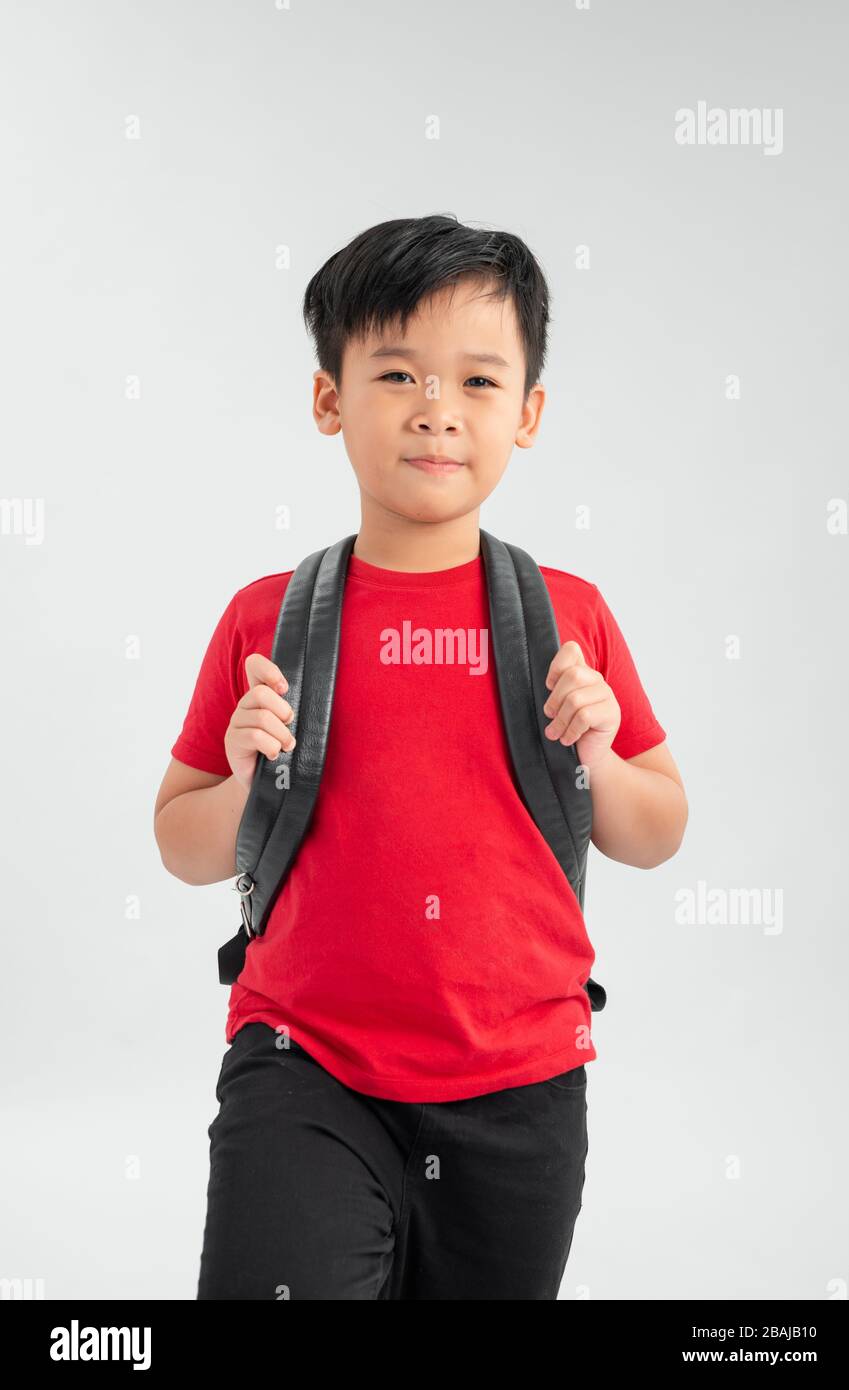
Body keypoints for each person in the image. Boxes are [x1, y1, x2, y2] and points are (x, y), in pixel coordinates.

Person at [153, 213, 688, 1300]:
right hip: (303, 1065)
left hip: (521, 1088)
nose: (437, 409)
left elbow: (656, 830)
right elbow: (181, 841)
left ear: (528, 413)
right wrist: (247, 780)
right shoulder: (269, 618)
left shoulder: (565, 616)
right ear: (329, 400)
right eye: (396, 372)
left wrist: (601, 750)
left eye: (478, 382)